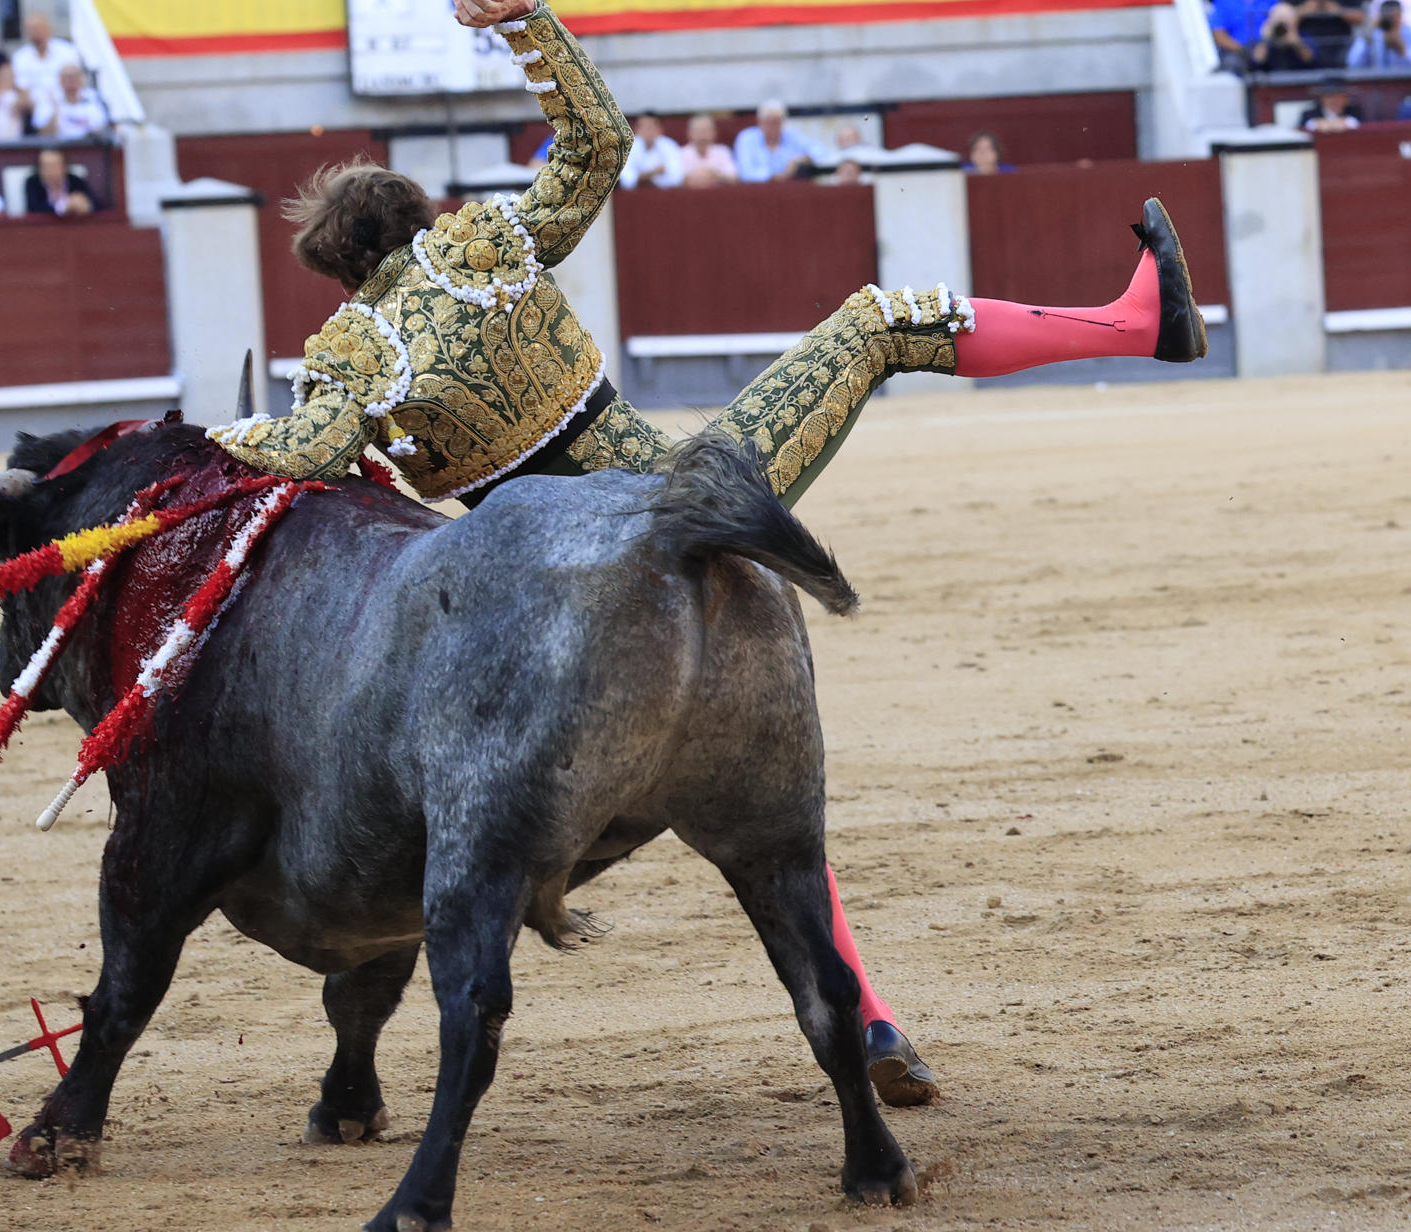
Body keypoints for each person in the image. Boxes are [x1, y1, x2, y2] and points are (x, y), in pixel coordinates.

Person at [208, 0, 1207, 1105]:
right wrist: (528, 23)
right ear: (416, 217)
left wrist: (214, 435)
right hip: (683, 493)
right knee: (879, 324)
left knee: (723, 800)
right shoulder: (483, 242)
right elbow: (599, 143)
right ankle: (1136, 323)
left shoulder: (351, 351)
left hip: (534, 604)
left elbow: (305, 452)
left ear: (342, 271)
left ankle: (867, 1016)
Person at [734, 98, 822, 182]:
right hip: (755, 191)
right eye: (770, 121)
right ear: (760, 122)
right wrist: (774, 176)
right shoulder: (746, 138)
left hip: (788, 191)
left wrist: (801, 160)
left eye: (778, 121)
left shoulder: (791, 135)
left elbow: (821, 152)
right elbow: (745, 173)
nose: (774, 126)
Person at [9, 11, 78, 111]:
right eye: (32, 29)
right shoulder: (20, 57)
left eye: (39, 27)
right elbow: (22, 88)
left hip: (68, 104)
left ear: (48, 28)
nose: (37, 32)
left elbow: (75, 81)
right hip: (34, 108)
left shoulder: (67, 50)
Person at [30, 60, 105, 140]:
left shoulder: (92, 98)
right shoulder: (48, 100)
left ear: (81, 80)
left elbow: (102, 128)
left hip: (88, 146)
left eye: (74, 78)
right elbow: (43, 133)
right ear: (60, 81)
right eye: (67, 78)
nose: (71, 82)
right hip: (59, 148)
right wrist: (56, 109)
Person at [23, 146, 96, 216]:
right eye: (46, 167)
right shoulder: (32, 183)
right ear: (39, 169)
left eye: (55, 166)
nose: (51, 171)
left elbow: (97, 205)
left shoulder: (76, 181)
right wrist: (63, 207)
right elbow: (33, 210)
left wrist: (86, 204)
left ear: (65, 167)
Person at [618, 110, 680, 188]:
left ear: (659, 129)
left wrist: (645, 177)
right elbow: (626, 180)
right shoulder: (628, 147)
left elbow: (676, 178)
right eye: (643, 127)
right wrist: (653, 173)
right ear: (637, 129)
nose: (647, 131)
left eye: (651, 127)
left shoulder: (670, 146)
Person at [678, 111, 737, 187]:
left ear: (714, 133)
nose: (702, 135)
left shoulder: (723, 151)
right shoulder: (680, 153)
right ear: (689, 133)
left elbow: (734, 178)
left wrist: (716, 175)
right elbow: (676, 180)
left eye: (706, 131)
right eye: (698, 131)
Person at [1251, 4, 1317, 68]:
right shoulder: (1265, 39)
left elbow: (1312, 62)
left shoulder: (1305, 36)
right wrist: (1264, 40)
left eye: (1285, 20)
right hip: (1273, 77)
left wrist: (1297, 43)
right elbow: (1256, 63)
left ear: (1294, 21)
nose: (1282, 27)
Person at [1347, 0, 1408, 66]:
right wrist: (1370, 39)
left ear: (1400, 15)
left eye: (1396, 16)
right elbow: (1353, 62)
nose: (1393, 21)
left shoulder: (1408, 33)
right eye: (1390, 17)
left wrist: (1403, 51)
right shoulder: (1373, 35)